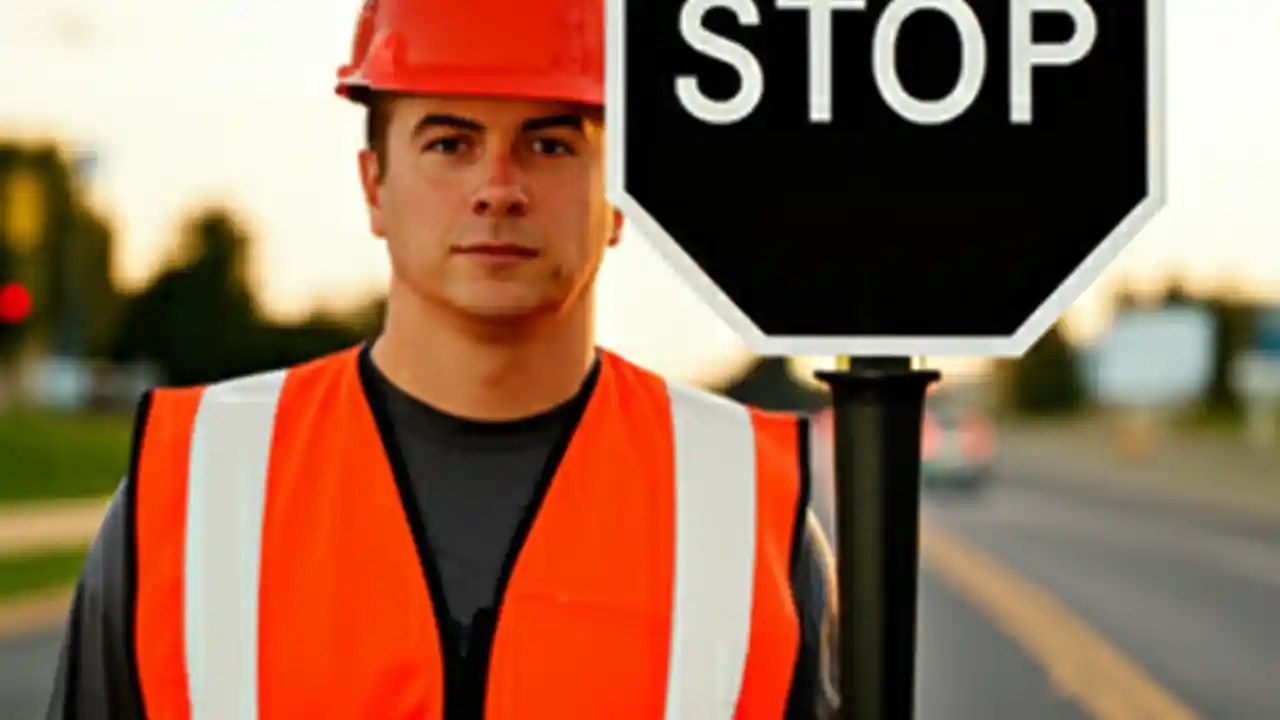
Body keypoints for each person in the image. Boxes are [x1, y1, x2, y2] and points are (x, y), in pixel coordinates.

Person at [46, 0, 840, 717]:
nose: (498, 188)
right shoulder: (194, 490)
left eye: (552, 143)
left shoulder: (744, 514)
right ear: (374, 187)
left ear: (621, 197)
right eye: (451, 142)